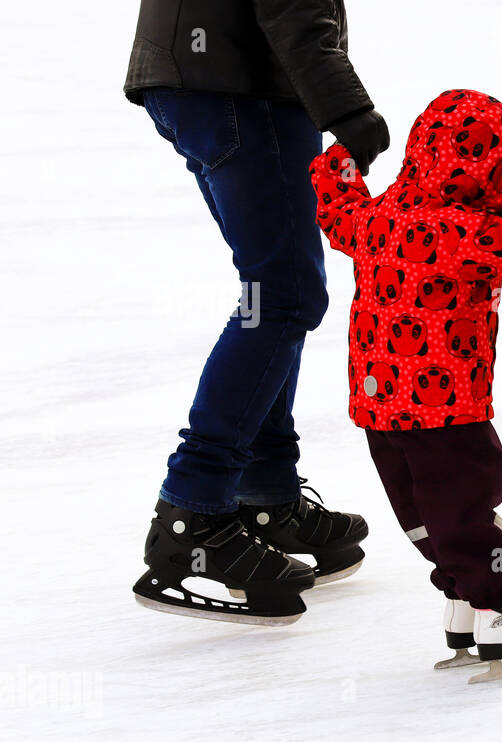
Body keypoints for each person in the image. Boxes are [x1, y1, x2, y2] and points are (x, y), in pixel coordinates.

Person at [309, 89, 502, 682]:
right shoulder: (461, 232)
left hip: (377, 407)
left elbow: (335, 205)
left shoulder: (376, 219)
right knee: (469, 504)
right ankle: (497, 609)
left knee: (424, 510)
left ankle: (463, 601)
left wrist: (345, 155)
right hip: (446, 406)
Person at [124, 1, 393, 626]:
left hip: (204, 77)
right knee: (282, 294)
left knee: (272, 290)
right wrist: (347, 108)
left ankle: (263, 494)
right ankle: (194, 511)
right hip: (239, 85)